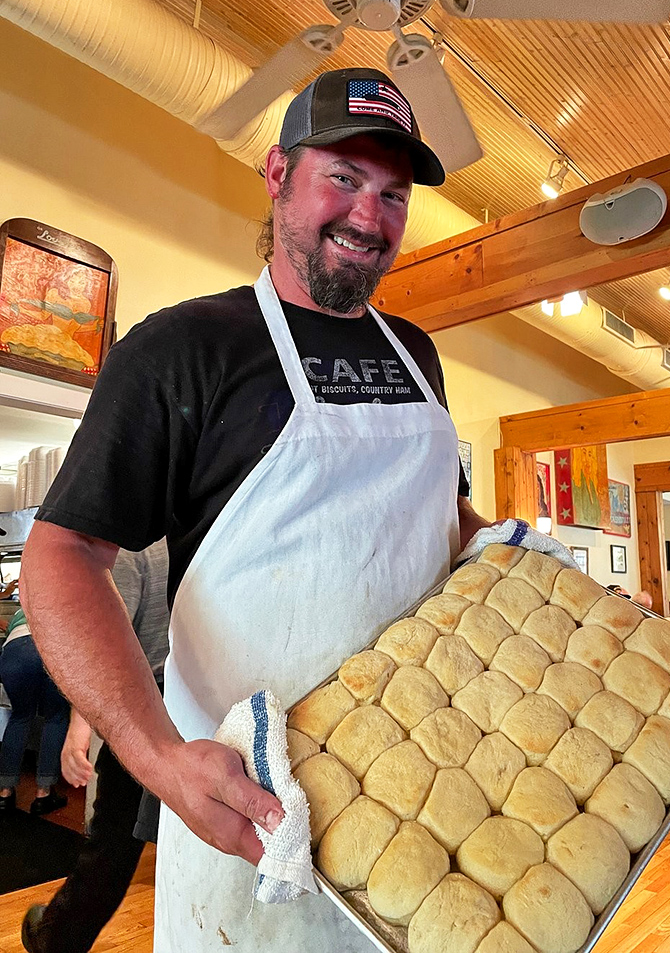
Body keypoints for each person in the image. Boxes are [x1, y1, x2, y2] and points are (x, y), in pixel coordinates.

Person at [19, 67, 491, 952]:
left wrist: (512, 562)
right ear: (277, 175)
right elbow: (62, 553)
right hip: (253, 816)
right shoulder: (182, 349)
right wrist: (157, 757)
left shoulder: (419, 354)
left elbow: (447, 519)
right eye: (342, 180)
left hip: (427, 802)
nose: (368, 217)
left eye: (392, 195)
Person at [21, 540, 169, 953]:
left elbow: (99, 645)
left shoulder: (129, 552)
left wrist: (78, 728)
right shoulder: (188, 539)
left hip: (146, 709)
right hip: (199, 703)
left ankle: (55, 940)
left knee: (112, 841)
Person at [0, 605, 69, 815]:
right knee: (55, 717)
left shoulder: (23, 609)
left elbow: (8, 627)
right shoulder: (66, 599)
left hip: (15, 651)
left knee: (20, 716)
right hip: (53, 647)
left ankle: (4, 793)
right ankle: (43, 794)